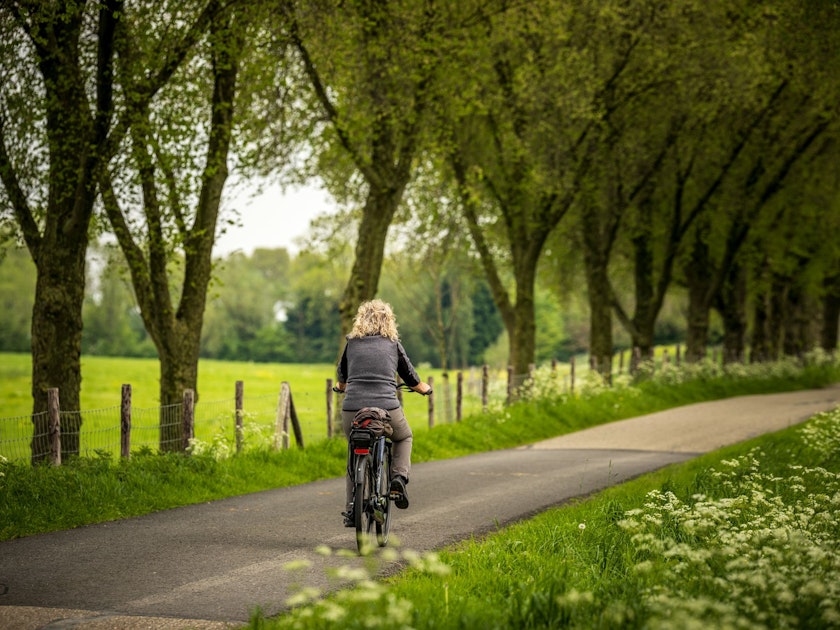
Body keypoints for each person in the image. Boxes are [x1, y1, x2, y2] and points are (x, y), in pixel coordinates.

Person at [335, 299, 432, 527]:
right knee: (403, 436)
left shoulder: (351, 343)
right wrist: (423, 388)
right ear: (388, 321)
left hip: (353, 411)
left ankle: (352, 509)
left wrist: (340, 387)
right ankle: (398, 477)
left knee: (353, 452)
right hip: (386, 409)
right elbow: (410, 376)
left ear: (360, 319)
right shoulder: (392, 344)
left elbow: (342, 376)